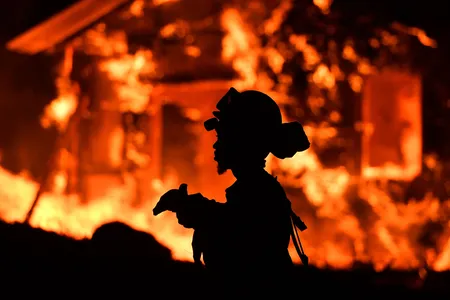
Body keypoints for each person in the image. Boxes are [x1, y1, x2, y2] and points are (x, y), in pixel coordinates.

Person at [154, 88, 310, 297]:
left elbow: (239, 238)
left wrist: (194, 209)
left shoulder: (259, 192)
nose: (216, 144)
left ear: (244, 141)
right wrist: (193, 208)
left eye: (223, 136)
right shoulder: (257, 188)